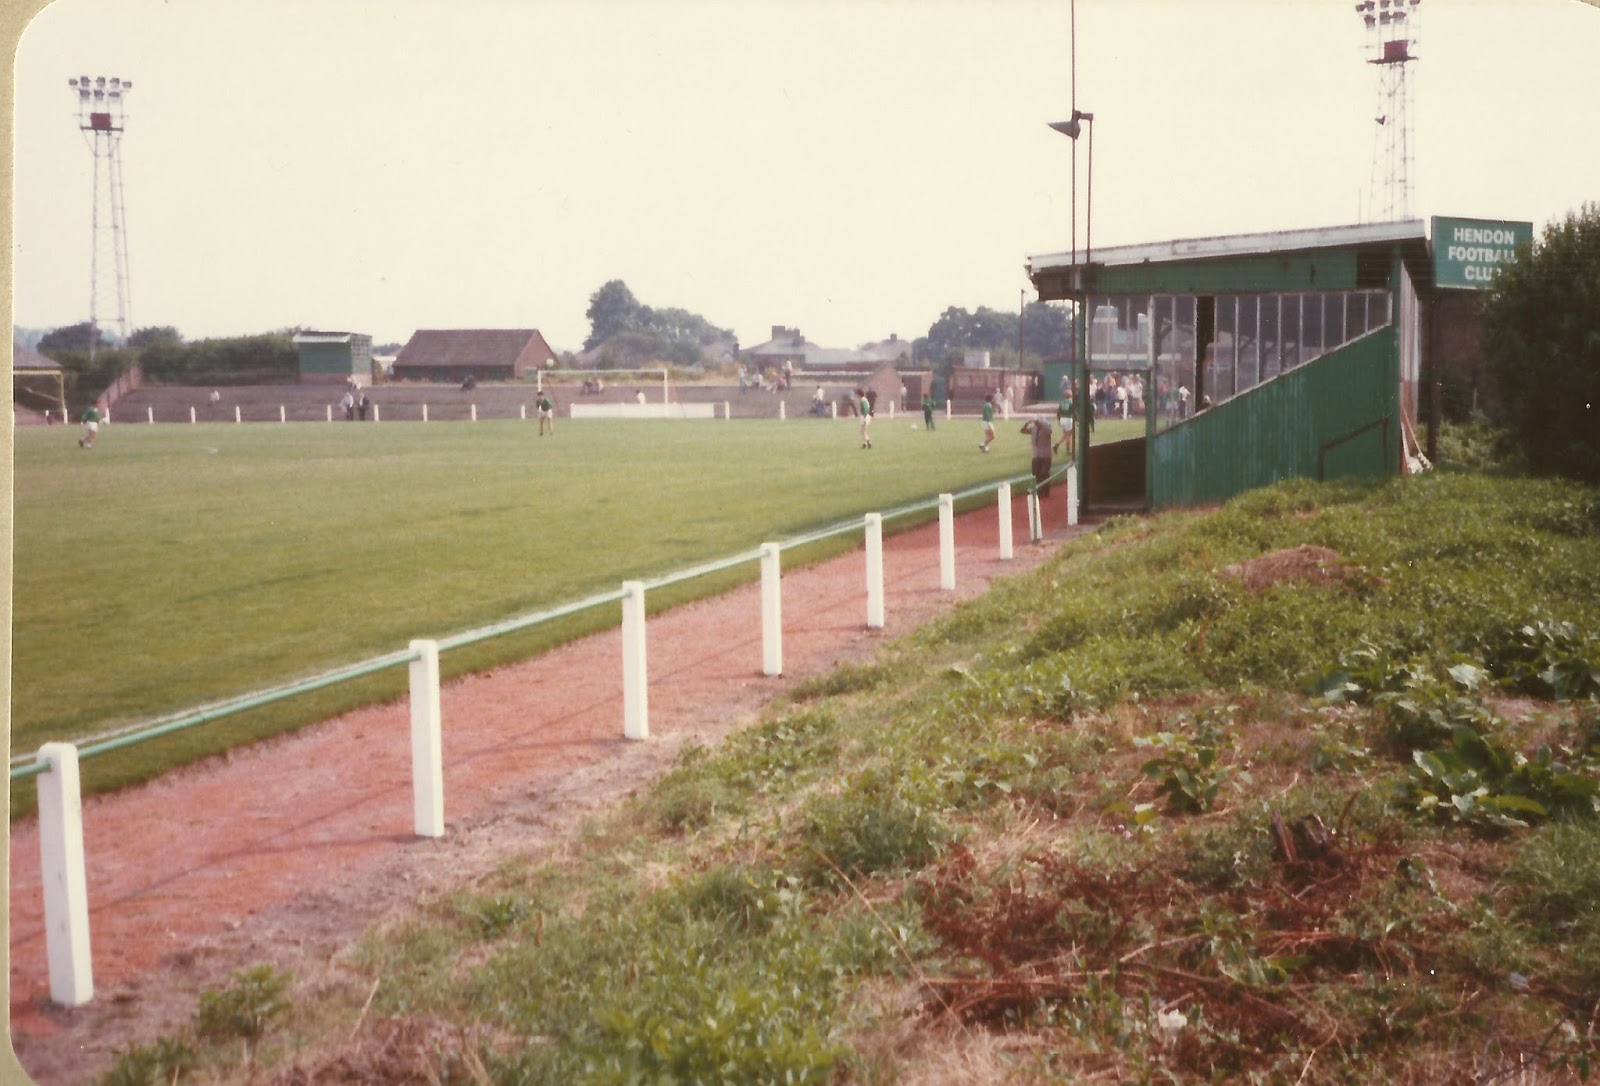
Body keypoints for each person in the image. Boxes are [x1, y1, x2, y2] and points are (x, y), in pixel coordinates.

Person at [1021, 415, 1054, 497]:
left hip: (1045, 455)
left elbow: (1049, 430)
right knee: (1035, 473)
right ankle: (1039, 490)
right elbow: (1023, 430)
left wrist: (1038, 421)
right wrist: (1027, 423)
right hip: (1036, 455)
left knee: (1044, 473)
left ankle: (1045, 491)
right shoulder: (1034, 429)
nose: (1036, 423)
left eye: (1037, 421)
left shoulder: (1046, 428)